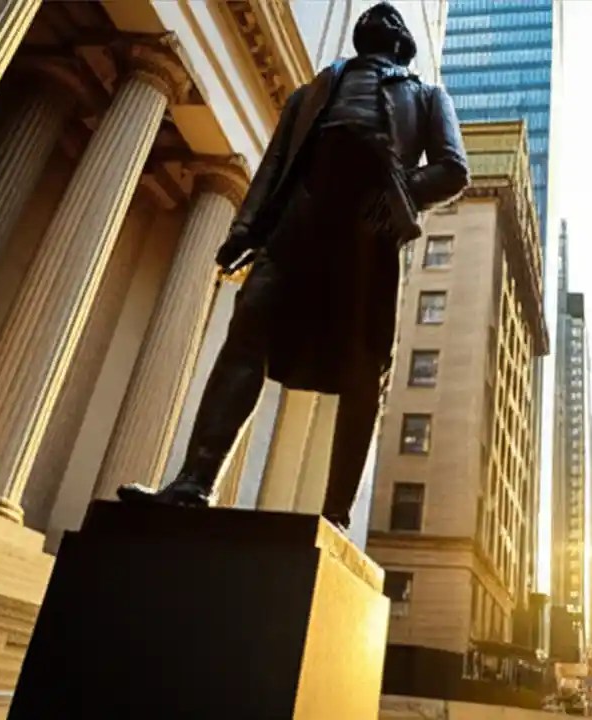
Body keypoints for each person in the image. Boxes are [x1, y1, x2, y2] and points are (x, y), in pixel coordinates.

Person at [118, 1, 469, 528]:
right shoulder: (313, 92)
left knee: (362, 364)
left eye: (394, 19)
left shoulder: (425, 94)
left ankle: (335, 512)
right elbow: (276, 162)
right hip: (301, 216)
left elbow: (452, 168)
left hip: (367, 231)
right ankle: (194, 482)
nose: (380, 16)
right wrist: (246, 228)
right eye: (375, 15)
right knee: (247, 331)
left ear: (402, 43)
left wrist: (400, 196)